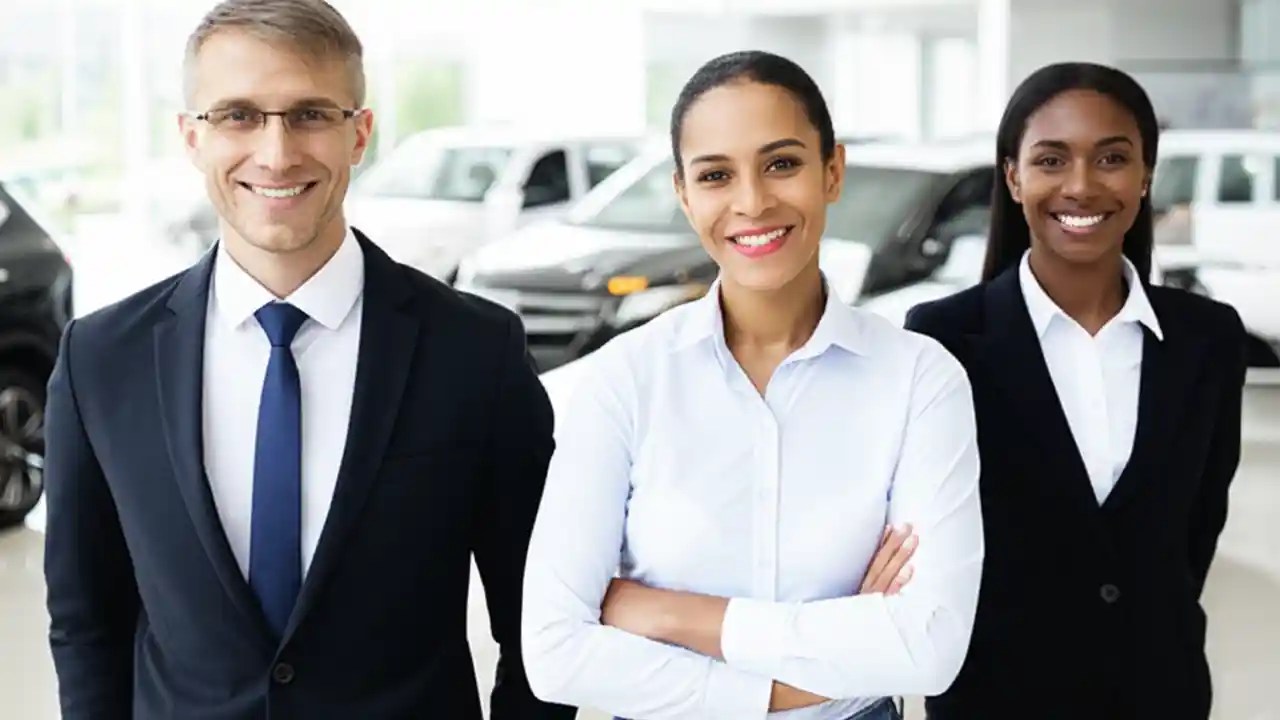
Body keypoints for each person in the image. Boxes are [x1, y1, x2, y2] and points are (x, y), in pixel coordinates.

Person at [42, 1, 573, 718]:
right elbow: (87, 625)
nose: (276, 152)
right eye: (237, 115)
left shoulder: (477, 352)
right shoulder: (101, 359)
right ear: (190, 137)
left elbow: (541, 627)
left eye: (310, 115)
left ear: (360, 134)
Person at [521, 50, 984, 720]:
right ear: (684, 195)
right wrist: (814, 672)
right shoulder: (624, 379)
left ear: (833, 171)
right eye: (715, 175)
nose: (752, 201)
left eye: (782, 163)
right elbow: (555, 652)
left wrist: (670, 614)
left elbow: (931, 650)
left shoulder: (919, 378)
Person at [905, 62, 1248, 719]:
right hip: (997, 700)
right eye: (1052, 159)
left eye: (1112, 158)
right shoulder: (943, 338)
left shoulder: (1208, 339)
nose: (1082, 186)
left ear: (1146, 173)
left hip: (1160, 694)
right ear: (1013, 176)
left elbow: (1193, 535)